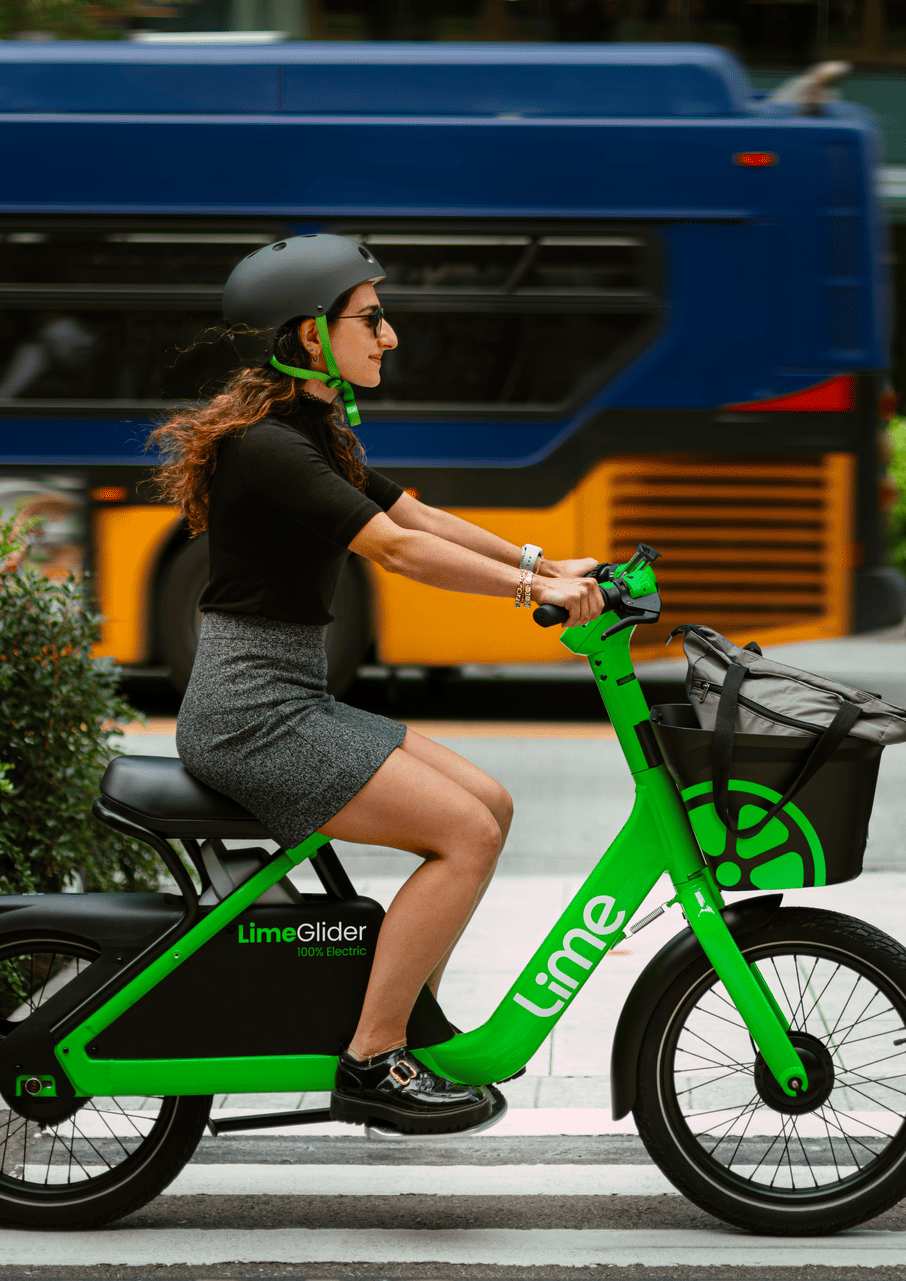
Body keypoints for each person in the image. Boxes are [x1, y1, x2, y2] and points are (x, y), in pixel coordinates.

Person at [147, 234, 606, 1136]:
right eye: (372, 318)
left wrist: (543, 558)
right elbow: (395, 550)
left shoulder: (315, 430)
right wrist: (530, 592)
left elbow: (414, 512)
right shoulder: (268, 447)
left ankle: (406, 1028)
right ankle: (372, 1057)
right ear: (310, 337)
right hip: (250, 717)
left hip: (288, 698)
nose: (390, 336)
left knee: (491, 803)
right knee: (464, 834)